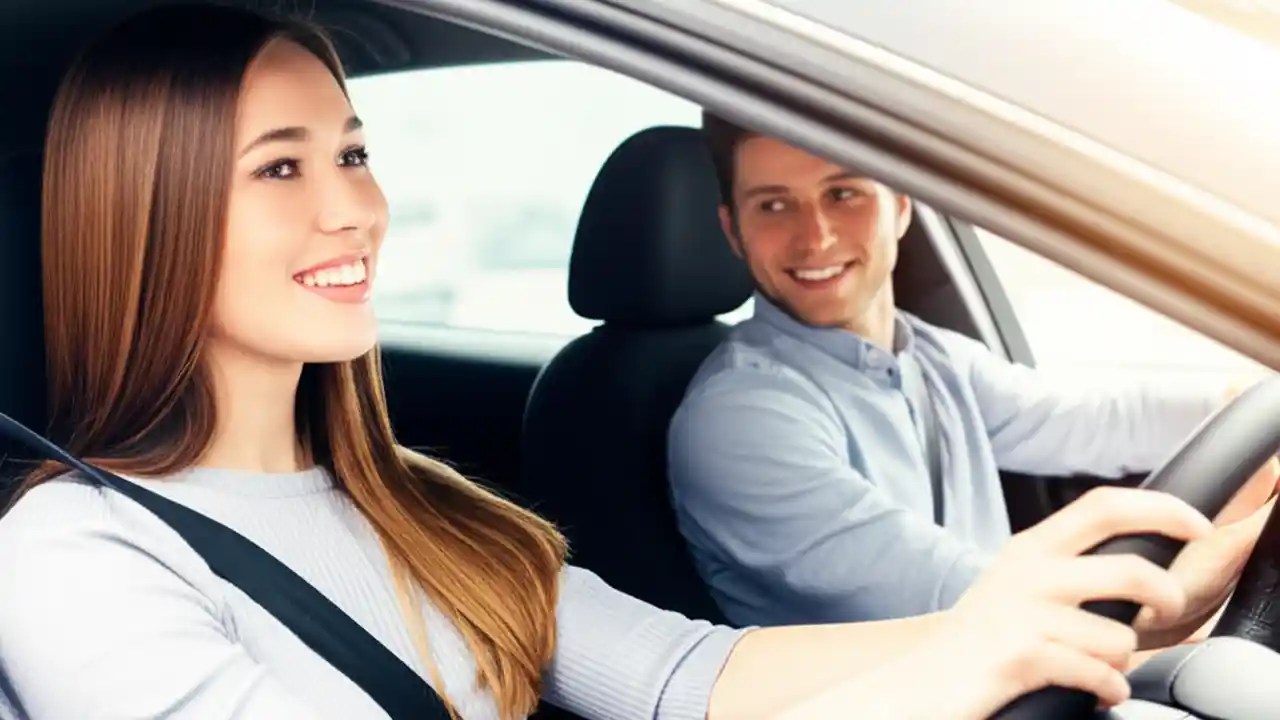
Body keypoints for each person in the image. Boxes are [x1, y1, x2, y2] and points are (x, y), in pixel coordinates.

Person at [0, 5, 1263, 720]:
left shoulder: (422, 504)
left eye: (353, 152)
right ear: (148, 219)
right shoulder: (73, 559)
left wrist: (991, 630)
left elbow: (684, 673)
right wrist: (958, 659)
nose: (355, 209)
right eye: (281, 167)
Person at [667, 112, 1279, 628]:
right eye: (774, 205)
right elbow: (975, 603)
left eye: (843, 193)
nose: (815, 237)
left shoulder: (927, 355)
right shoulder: (738, 418)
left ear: (901, 204)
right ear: (733, 230)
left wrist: (1241, 402)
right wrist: (1239, 544)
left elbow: (1080, 418)